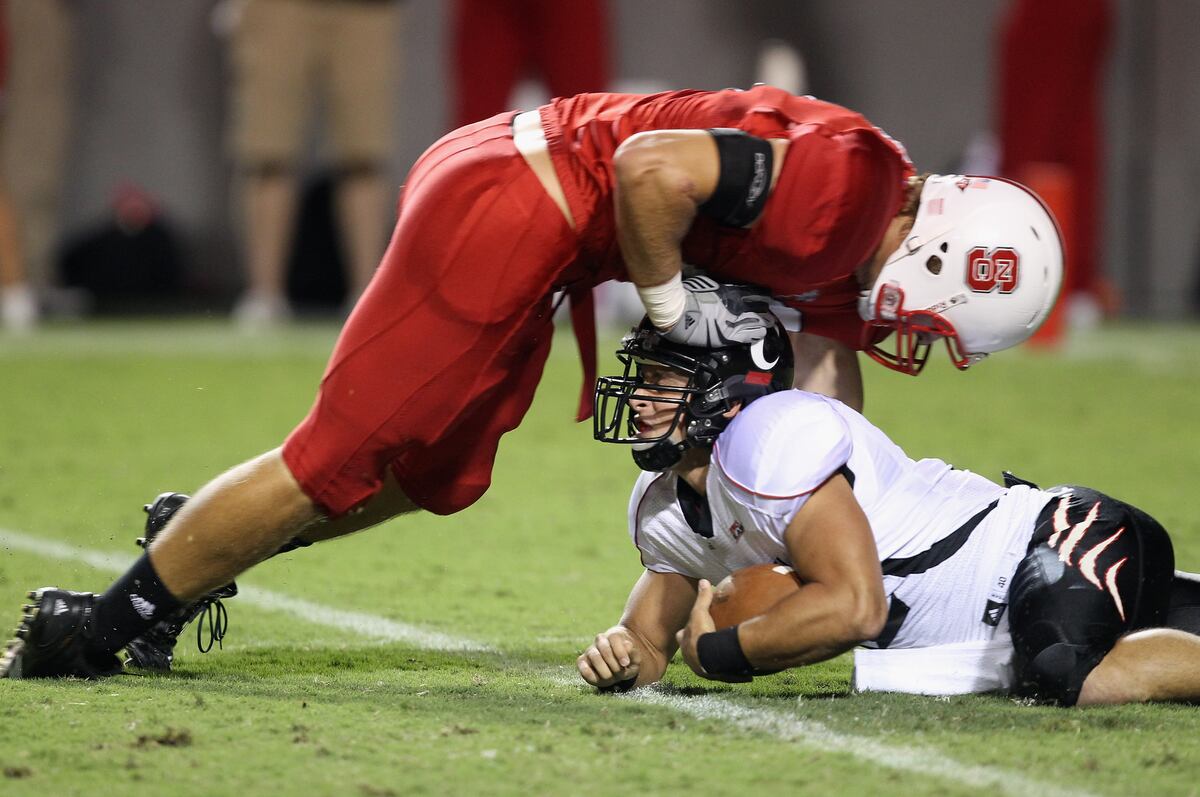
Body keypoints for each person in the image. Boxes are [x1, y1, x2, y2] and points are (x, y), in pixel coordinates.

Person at [1, 86, 1062, 680]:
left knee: (442, 472)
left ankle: (208, 540)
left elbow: (823, 418)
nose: (917, 340)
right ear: (941, 256)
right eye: (935, 324)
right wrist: (669, 312)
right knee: (338, 456)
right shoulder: (847, 180)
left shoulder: (852, 247)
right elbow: (652, 169)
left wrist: (842, 537)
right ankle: (100, 623)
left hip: (548, 227)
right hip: (514, 201)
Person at [578, 315, 1200, 706]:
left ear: (727, 388)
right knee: (1047, 658)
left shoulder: (769, 439)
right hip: (995, 623)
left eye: (661, 382)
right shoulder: (663, 504)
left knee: (1070, 672)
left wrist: (720, 653)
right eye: (641, 380)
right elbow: (646, 637)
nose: (637, 399)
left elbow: (856, 606)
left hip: (1053, 540)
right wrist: (623, 654)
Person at [222, 0, 405, 326]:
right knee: (267, 153)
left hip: (366, 9)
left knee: (363, 155)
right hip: (276, 8)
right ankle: (264, 296)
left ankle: (367, 295)